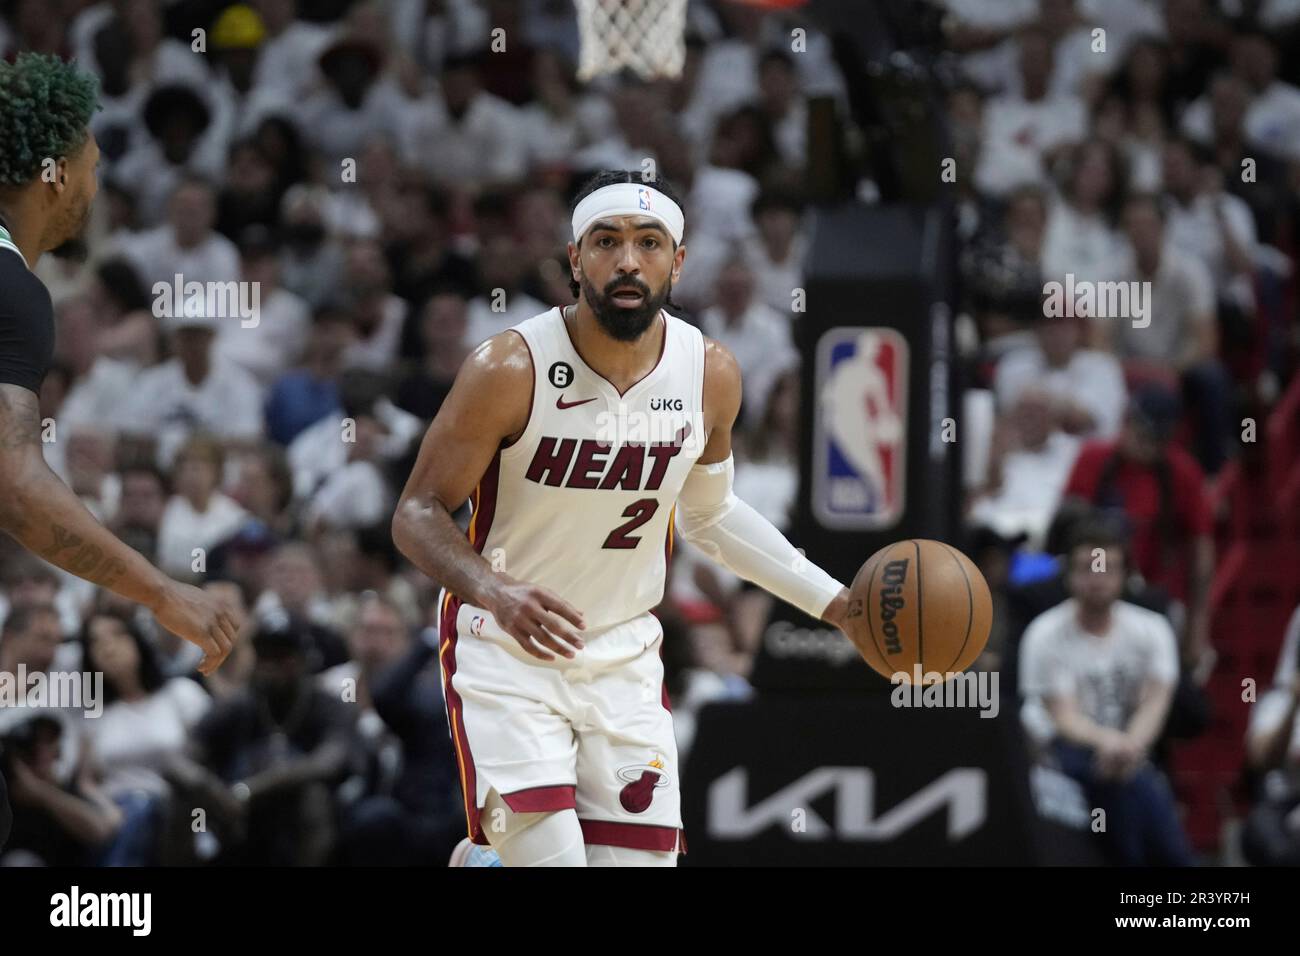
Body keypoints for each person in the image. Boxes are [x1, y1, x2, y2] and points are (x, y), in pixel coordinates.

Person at [392, 170, 851, 867]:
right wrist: (492, 589)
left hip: (625, 658)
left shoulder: (709, 374)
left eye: (649, 242)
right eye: (606, 242)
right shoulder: (509, 367)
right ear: (576, 260)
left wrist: (837, 604)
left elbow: (711, 517)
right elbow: (417, 512)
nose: (628, 260)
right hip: (509, 652)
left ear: (678, 260)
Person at [0, 54, 237, 852]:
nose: (96, 192)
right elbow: (18, 487)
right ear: (55, 174)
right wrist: (160, 591)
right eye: (93, 169)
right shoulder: (11, 290)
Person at [1018, 521, 1196, 866]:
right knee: (1127, 791)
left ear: (1124, 575)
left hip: (1131, 751)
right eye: (1087, 568)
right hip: (1063, 754)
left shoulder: (1151, 629)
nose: (1097, 579)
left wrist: (1130, 746)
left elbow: (1155, 701)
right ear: (1069, 575)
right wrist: (1110, 743)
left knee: (1126, 789)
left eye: (1107, 568)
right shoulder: (1044, 635)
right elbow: (1063, 716)